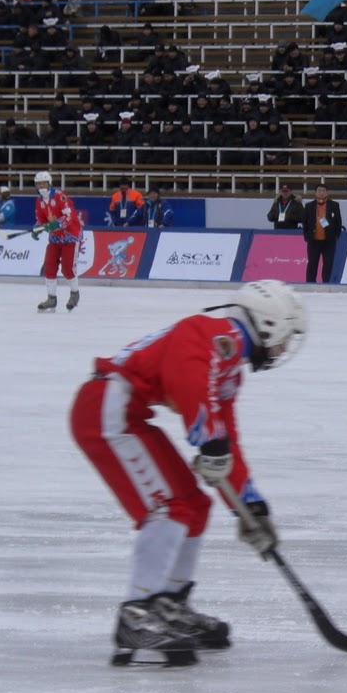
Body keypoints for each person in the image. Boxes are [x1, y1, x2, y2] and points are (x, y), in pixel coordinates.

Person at [71, 280, 308, 666]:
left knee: (194, 505)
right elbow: (186, 370)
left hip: (126, 413)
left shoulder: (230, 365)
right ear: (268, 324)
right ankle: (137, 611)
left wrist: (249, 504)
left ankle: (168, 603)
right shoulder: (216, 334)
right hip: (106, 410)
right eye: (286, 337)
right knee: (170, 507)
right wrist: (208, 439)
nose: (284, 348)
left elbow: (225, 438)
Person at [33, 171, 83, 313]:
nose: (41, 186)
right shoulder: (39, 202)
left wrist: (56, 224)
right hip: (55, 238)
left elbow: (69, 216)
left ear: (49, 183)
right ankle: (51, 298)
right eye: (39, 184)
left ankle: (74, 293)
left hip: (70, 237)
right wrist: (37, 228)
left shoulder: (60, 196)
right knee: (49, 266)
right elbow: (41, 220)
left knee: (67, 268)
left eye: (44, 183)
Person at [302, 183, 342, 283]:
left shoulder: (334, 205)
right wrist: (307, 236)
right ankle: (310, 284)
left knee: (328, 264)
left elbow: (338, 222)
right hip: (313, 240)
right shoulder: (309, 205)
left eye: (323, 191)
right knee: (312, 264)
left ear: (327, 193)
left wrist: (336, 236)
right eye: (319, 191)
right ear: (315, 193)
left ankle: (326, 284)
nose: (321, 193)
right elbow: (305, 222)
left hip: (329, 241)